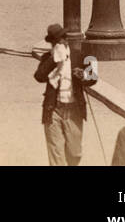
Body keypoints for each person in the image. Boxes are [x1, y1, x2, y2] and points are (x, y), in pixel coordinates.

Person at [35, 23, 94, 166]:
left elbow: (94, 77)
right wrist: (53, 60)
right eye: (55, 42)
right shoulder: (47, 57)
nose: (59, 43)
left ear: (66, 39)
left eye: (61, 39)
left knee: (75, 153)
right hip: (53, 109)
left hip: (74, 109)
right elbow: (39, 76)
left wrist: (84, 75)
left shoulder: (79, 55)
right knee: (56, 154)